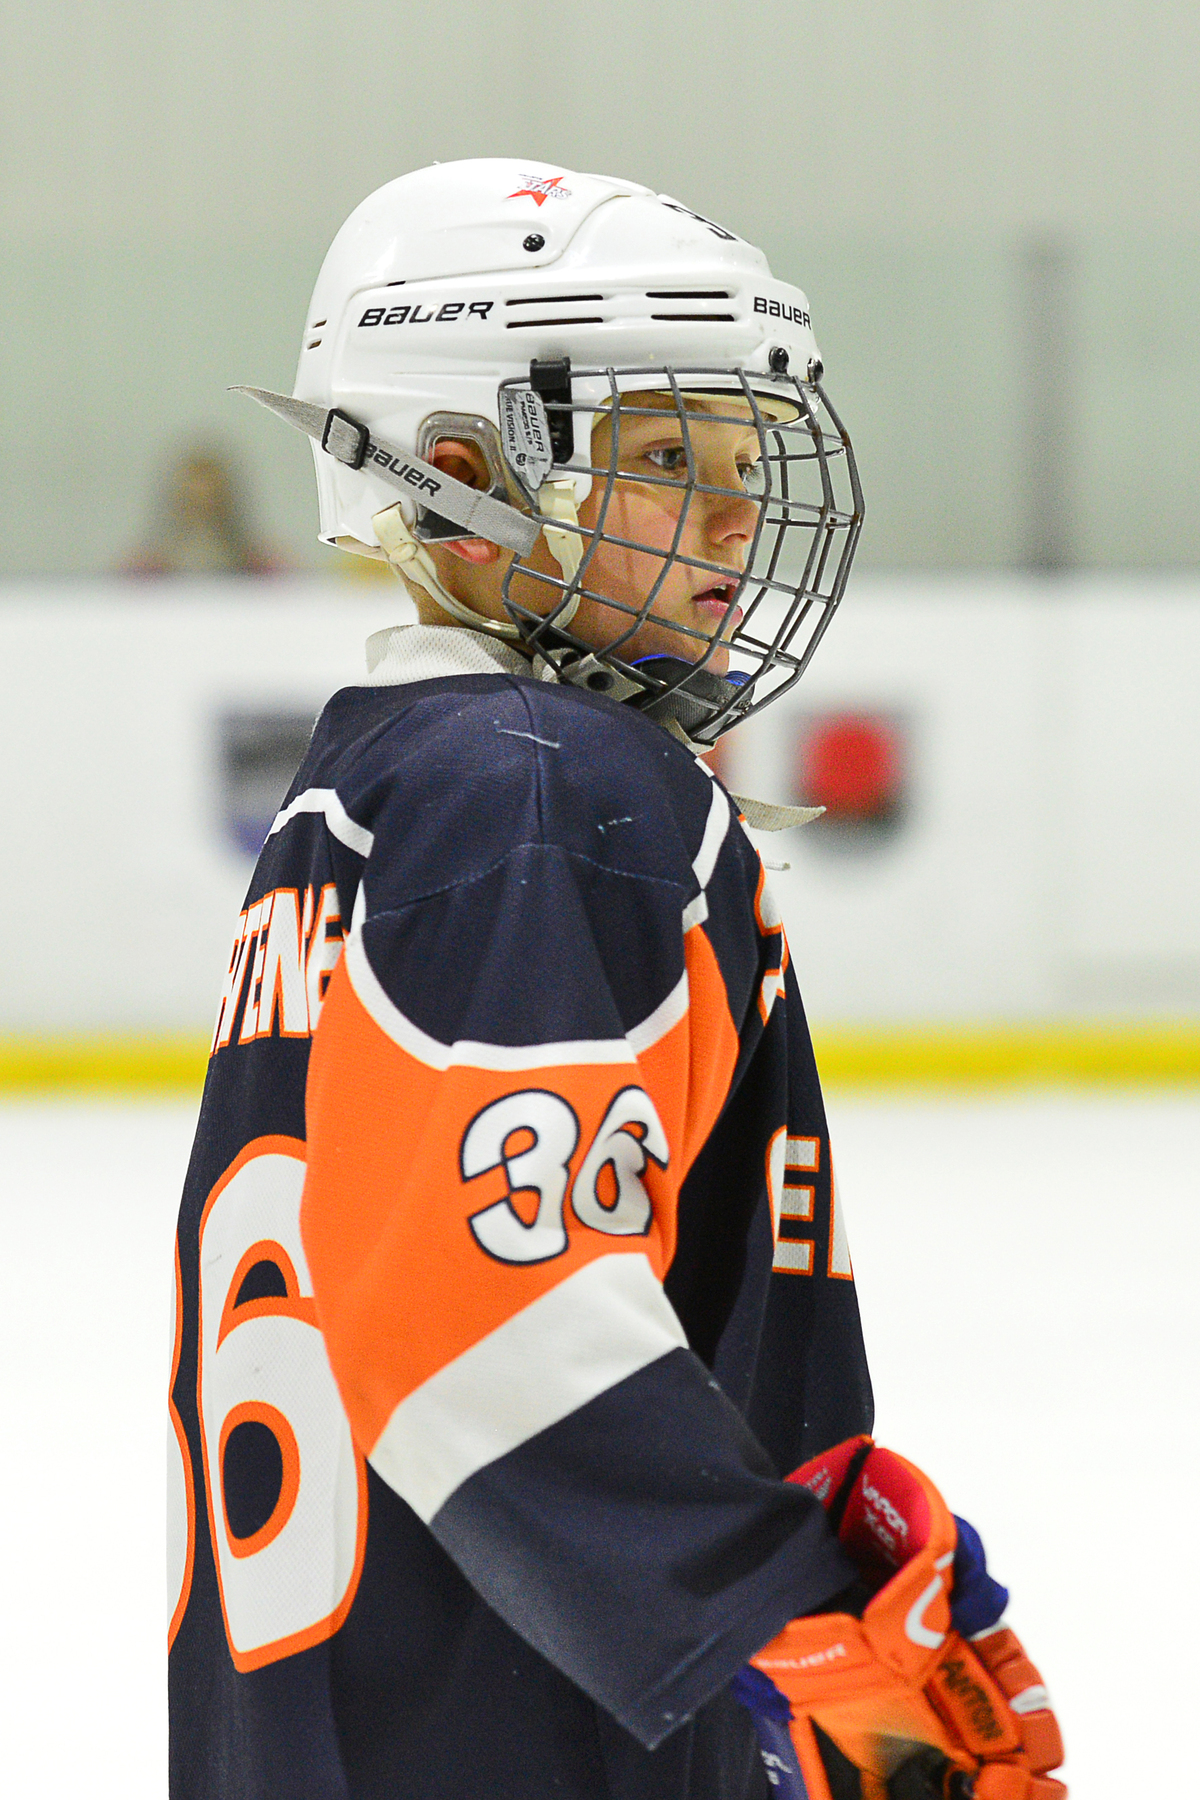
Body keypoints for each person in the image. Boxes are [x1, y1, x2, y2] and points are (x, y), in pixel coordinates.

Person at [168, 160, 1065, 1800]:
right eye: (663, 460)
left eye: (743, 466)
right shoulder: (543, 786)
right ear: (459, 474)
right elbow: (472, 1299)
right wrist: (783, 1618)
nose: (735, 518)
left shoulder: (382, 785)